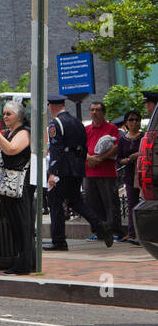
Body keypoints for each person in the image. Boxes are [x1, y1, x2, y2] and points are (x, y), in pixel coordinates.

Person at [45, 97, 99, 251]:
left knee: (55, 202)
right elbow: (84, 147)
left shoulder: (55, 123)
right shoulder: (77, 122)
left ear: (51, 106)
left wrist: (52, 173)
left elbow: (56, 149)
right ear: (63, 105)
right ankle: (98, 225)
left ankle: (59, 241)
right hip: (77, 168)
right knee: (75, 200)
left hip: (63, 169)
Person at [0, 102, 33, 275]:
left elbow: (11, 149)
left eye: (9, 114)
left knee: (22, 223)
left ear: (19, 116)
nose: (5, 117)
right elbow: (1, 160)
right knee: (14, 224)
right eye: (4, 114)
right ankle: (24, 259)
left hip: (20, 184)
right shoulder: (8, 133)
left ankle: (25, 262)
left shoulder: (24, 132)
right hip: (7, 184)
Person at [83, 100, 121, 247]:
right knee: (93, 203)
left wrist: (100, 158)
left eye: (97, 110)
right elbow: (80, 147)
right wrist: (89, 158)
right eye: (92, 110)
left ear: (103, 113)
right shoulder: (86, 129)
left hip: (106, 172)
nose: (94, 112)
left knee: (110, 203)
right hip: (89, 171)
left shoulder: (111, 128)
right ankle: (99, 231)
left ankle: (114, 231)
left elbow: (116, 146)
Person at [118, 110, 144, 244]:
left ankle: (144, 233)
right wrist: (129, 159)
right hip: (129, 175)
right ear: (126, 123)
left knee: (145, 203)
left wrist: (138, 155)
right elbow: (119, 159)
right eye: (131, 120)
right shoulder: (123, 139)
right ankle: (131, 233)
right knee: (131, 203)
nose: (134, 122)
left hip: (143, 173)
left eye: (137, 119)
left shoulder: (144, 137)